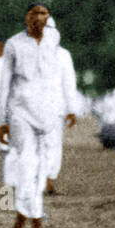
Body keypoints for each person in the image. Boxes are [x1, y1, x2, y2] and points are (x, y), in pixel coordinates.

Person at [0, 3, 76, 228]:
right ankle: (37, 222)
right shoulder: (14, 44)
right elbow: (5, 83)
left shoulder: (54, 41)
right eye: (34, 14)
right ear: (26, 17)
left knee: (42, 169)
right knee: (27, 164)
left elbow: (65, 78)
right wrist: (3, 120)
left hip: (50, 111)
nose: (39, 18)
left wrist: (70, 108)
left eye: (44, 14)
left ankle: (21, 218)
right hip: (21, 110)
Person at [42, 17, 78, 195]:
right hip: (43, 106)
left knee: (49, 144)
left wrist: (71, 109)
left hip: (52, 106)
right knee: (50, 144)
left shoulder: (63, 55)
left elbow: (69, 85)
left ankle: (45, 180)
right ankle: (45, 180)